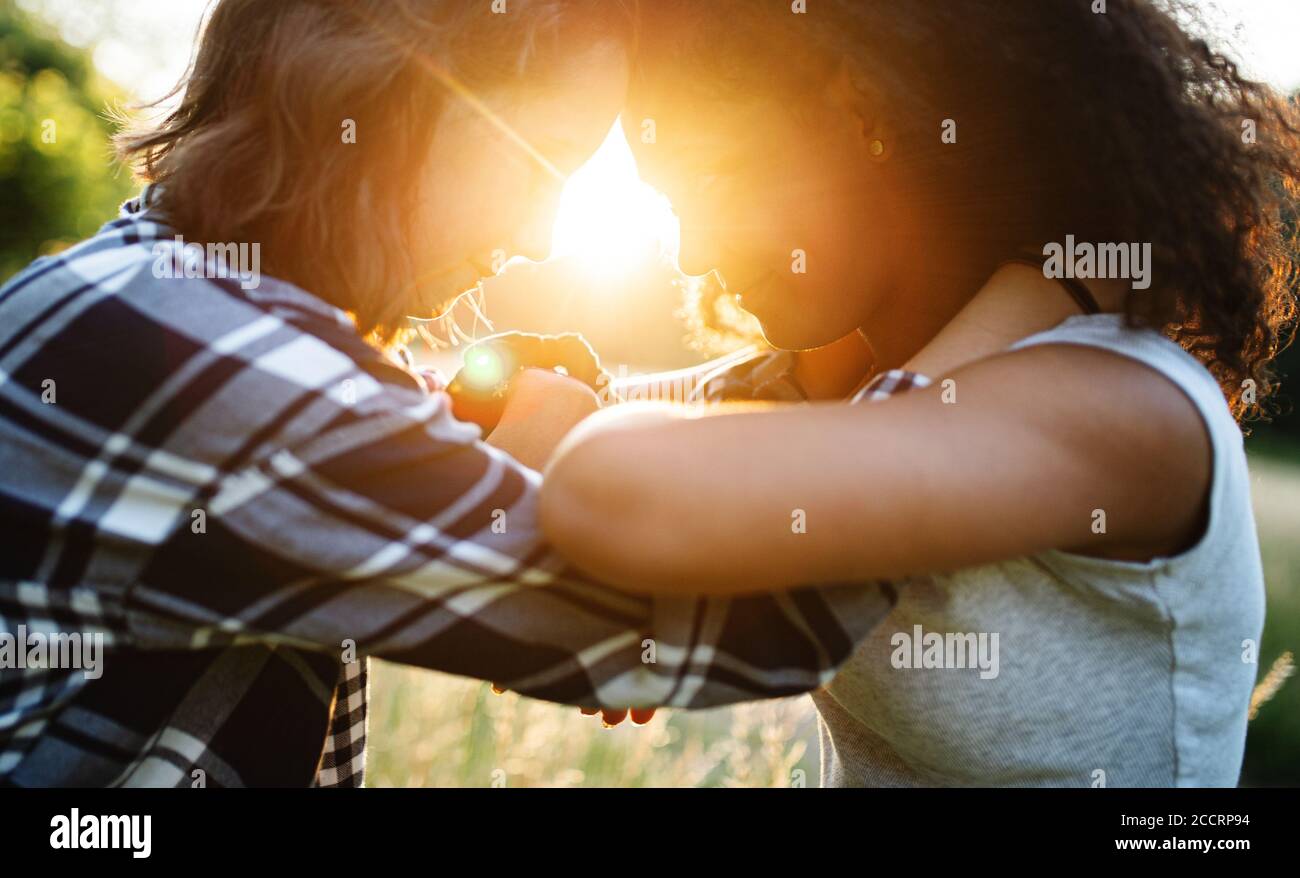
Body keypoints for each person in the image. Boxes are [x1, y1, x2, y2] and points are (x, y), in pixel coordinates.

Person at [0, 0, 900, 788]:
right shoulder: (237, 382)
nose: (542, 235)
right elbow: (751, 628)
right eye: (539, 158)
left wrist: (528, 413)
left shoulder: (147, 296)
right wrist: (993, 373)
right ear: (383, 100)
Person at [540, 0, 1300, 786]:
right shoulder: (853, 373)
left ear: (862, 100)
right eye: (670, 205)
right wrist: (555, 388)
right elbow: (618, 431)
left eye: (710, 176)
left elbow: (610, 485)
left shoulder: (1125, 407)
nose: (693, 254)